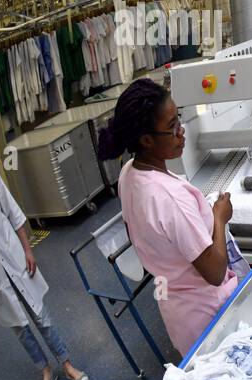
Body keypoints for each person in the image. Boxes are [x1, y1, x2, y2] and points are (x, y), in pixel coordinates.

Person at [99, 79, 237, 358]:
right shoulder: (170, 198)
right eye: (172, 127)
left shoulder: (128, 174)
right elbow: (214, 272)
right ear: (146, 140)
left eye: (179, 120)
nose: (181, 131)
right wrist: (219, 218)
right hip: (208, 317)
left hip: (177, 310)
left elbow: (140, 232)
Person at [0, 128, 88, 380]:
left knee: (40, 314)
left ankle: (66, 364)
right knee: (19, 326)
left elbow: (12, 209)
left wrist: (28, 249)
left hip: (14, 256)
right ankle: (45, 371)